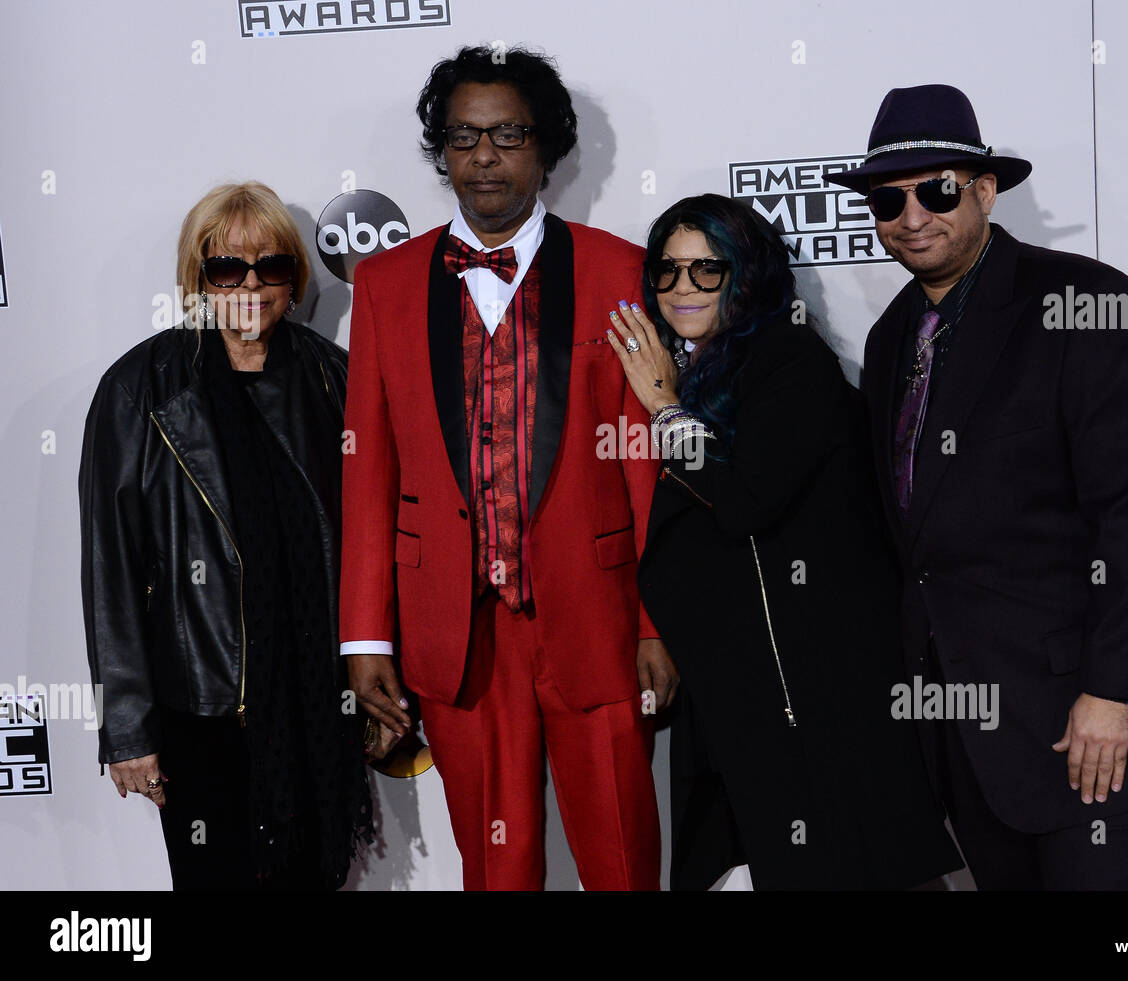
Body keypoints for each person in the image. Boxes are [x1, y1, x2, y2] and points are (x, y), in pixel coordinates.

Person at [827, 84, 1128, 889]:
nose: (912, 215)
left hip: (1098, 720)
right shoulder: (894, 335)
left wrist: (1115, 690)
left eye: (937, 190)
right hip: (975, 735)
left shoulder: (1086, 303)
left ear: (986, 191)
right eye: (887, 200)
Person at [339, 45, 674, 891]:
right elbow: (369, 472)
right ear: (442, 149)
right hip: (455, 628)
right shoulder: (383, 284)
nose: (484, 156)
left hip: (595, 619)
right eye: (463, 137)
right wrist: (366, 633)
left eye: (508, 134)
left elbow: (645, 468)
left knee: (624, 859)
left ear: (547, 149)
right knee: (495, 868)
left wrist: (654, 621)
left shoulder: (619, 270)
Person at [608, 193, 961, 890]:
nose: (683, 289)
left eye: (707, 270)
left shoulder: (787, 359)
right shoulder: (710, 373)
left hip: (817, 701)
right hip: (743, 695)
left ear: (748, 274)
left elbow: (742, 501)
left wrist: (664, 407)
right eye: (668, 271)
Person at [78, 181, 374, 890]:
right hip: (202, 707)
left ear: (295, 280)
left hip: (316, 706)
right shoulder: (139, 389)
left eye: (270, 266)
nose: (250, 284)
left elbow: (372, 544)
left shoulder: (336, 380)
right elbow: (110, 569)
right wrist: (128, 728)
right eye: (226, 267)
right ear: (197, 277)